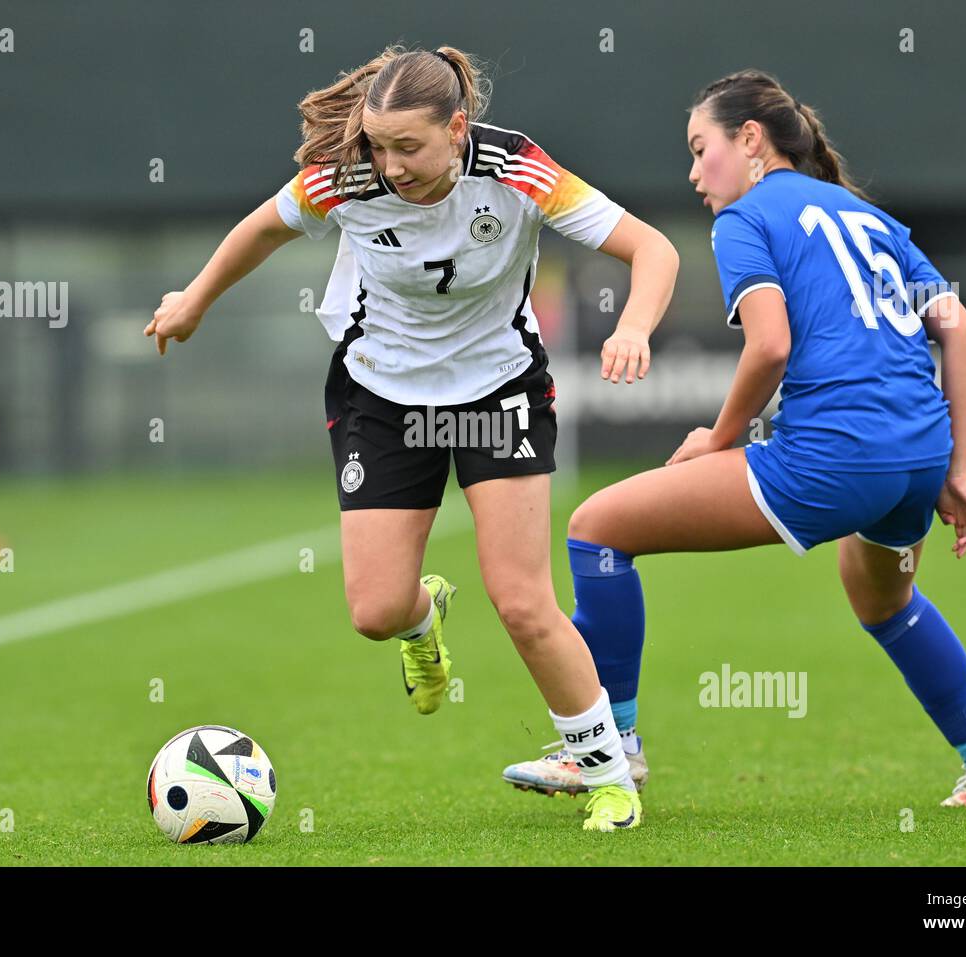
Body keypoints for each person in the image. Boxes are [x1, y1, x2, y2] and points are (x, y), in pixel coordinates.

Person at [145, 45, 679, 831]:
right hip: (382, 396)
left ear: (458, 129)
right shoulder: (345, 174)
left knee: (522, 599)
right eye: (378, 145)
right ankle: (422, 622)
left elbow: (652, 248)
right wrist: (194, 298)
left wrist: (634, 326)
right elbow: (262, 230)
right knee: (374, 609)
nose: (390, 166)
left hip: (499, 390)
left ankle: (607, 775)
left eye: (409, 147)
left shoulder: (520, 169)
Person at [502, 69, 966, 809]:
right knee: (885, 601)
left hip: (836, 454)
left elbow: (770, 346)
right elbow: (962, 331)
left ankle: (611, 751)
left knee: (596, 529)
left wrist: (721, 438)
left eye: (702, 149)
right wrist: (956, 468)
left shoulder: (745, 219)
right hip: (918, 454)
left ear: (751, 139)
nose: (694, 173)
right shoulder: (869, 216)